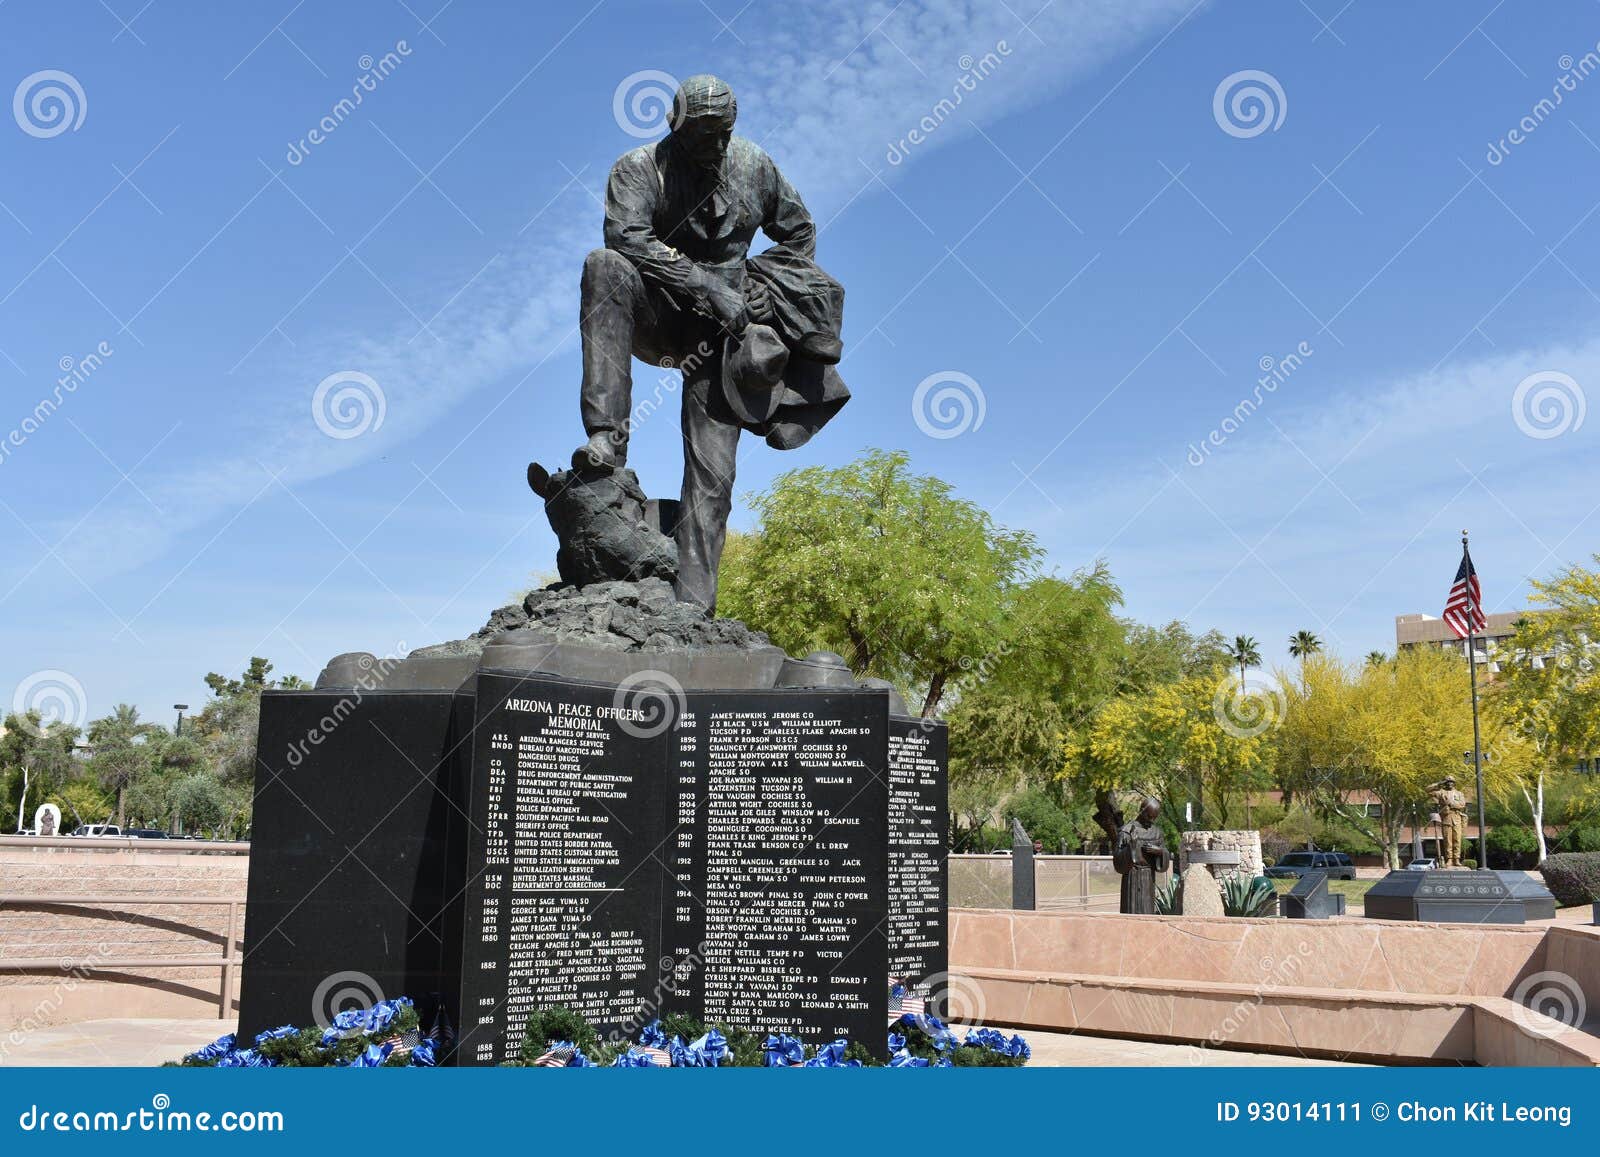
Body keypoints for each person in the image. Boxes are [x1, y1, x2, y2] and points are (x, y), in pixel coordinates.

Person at [566, 74, 849, 611]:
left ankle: (694, 609)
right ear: (675, 125)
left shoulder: (754, 165)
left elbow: (800, 230)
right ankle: (606, 440)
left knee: (713, 473)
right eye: (701, 134)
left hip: (726, 335)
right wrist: (707, 286)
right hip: (663, 314)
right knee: (604, 270)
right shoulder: (640, 169)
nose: (714, 146)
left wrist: (763, 284)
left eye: (723, 133)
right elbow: (624, 237)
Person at [1112, 797, 1171, 914]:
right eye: (1149, 816)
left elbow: (1165, 854)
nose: (1152, 820)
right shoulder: (1126, 831)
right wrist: (1131, 846)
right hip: (1132, 878)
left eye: (1154, 817)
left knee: (1147, 909)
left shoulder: (1156, 833)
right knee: (1131, 910)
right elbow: (1118, 861)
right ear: (1142, 811)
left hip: (1148, 878)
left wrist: (1160, 852)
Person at [1427, 776, 1469, 868]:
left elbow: (1462, 805)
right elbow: (1428, 790)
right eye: (1448, 782)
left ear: (1454, 783)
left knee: (1457, 840)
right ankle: (1449, 859)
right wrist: (1439, 783)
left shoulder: (1459, 793)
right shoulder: (1441, 792)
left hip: (1457, 819)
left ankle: (1456, 859)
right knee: (1447, 840)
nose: (1450, 783)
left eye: (1451, 782)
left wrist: (1451, 803)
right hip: (1446, 818)